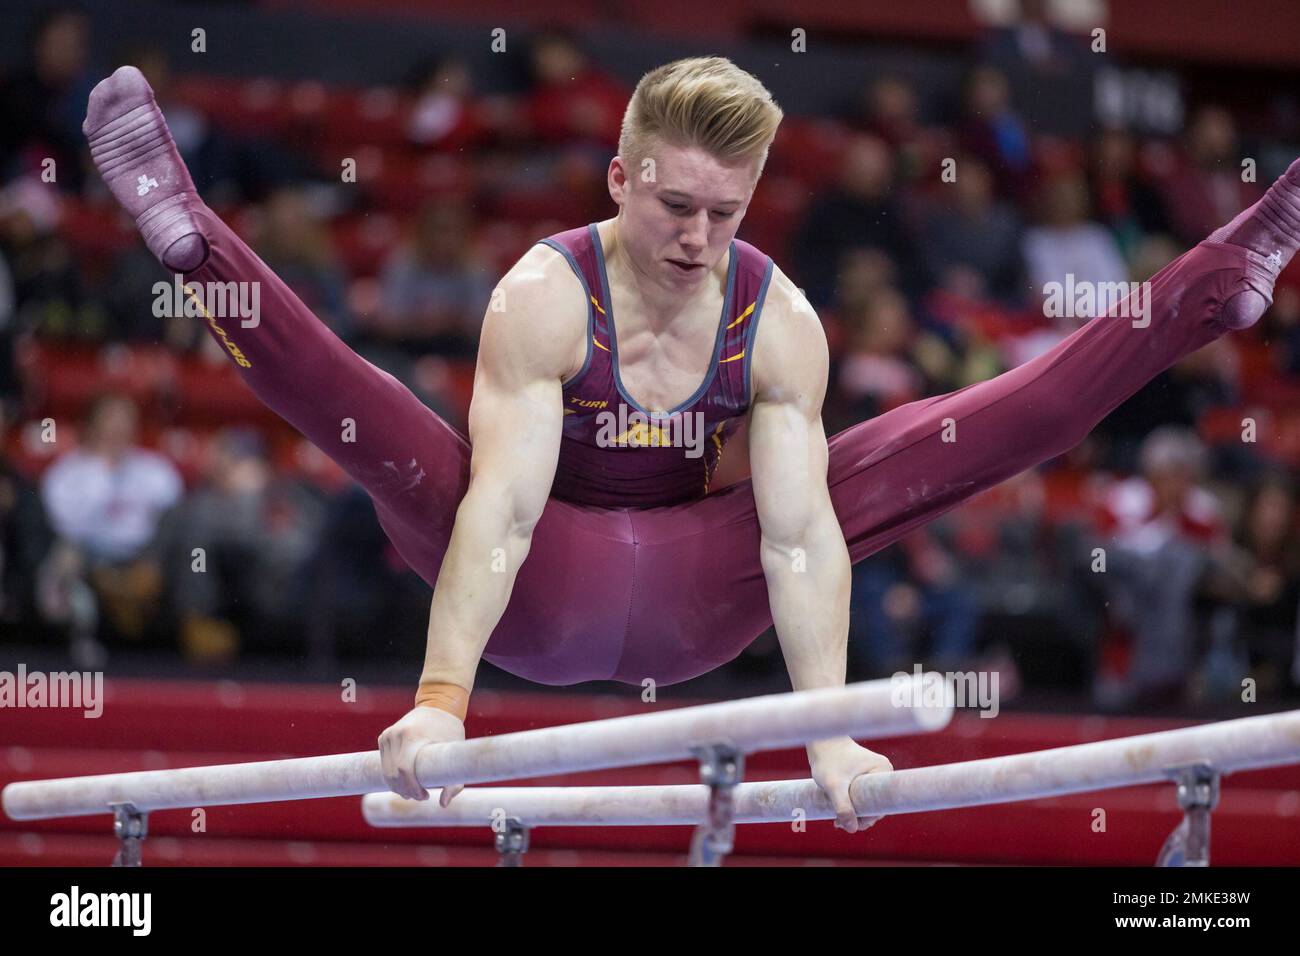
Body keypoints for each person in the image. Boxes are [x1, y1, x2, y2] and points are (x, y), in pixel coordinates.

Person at [81, 58, 1297, 833]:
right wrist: (442, 705)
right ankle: (198, 246)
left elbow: (799, 537)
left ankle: (1210, 281)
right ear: (619, 176)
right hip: (531, 595)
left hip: (700, 604)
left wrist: (825, 722)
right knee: (398, 438)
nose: (697, 236)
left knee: (958, 433)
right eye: (673, 205)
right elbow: (501, 513)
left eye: (727, 212)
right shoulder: (542, 294)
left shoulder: (781, 321)